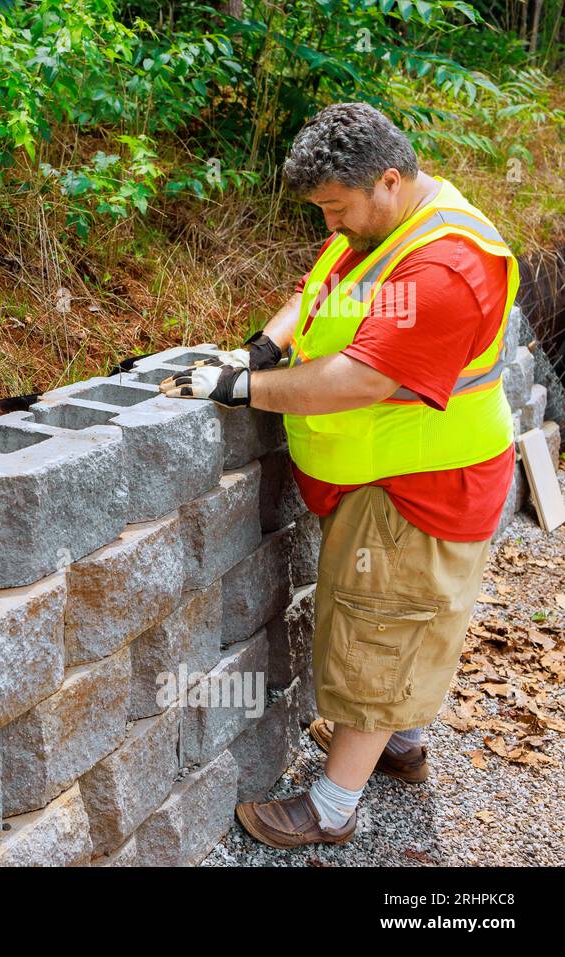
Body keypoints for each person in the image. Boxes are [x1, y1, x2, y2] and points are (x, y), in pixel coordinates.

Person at [160, 101, 517, 848]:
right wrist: (262, 347)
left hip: (420, 487)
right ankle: (402, 740)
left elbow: (359, 378)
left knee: (381, 632)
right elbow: (321, 290)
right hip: (392, 475)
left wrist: (241, 389)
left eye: (335, 208)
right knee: (399, 625)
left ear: (388, 179)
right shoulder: (393, 225)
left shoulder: (446, 266)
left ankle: (330, 806)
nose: (330, 226)